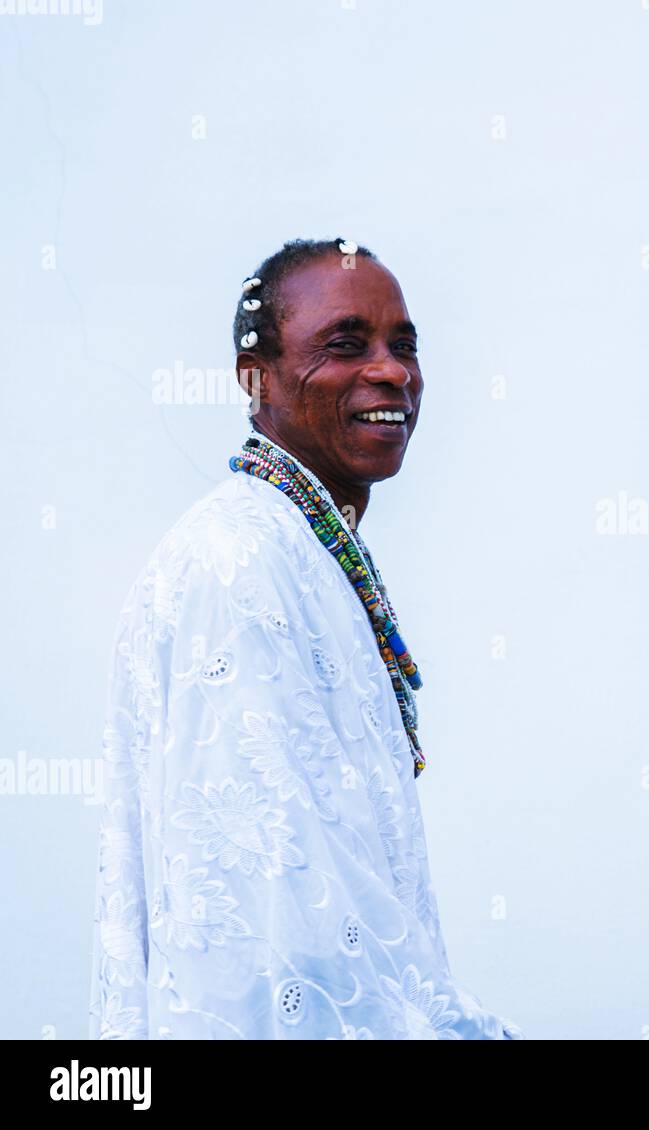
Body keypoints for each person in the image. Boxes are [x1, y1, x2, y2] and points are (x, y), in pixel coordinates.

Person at [90, 238, 518, 1039]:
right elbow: (274, 927)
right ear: (256, 378)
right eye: (346, 345)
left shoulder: (303, 547)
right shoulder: (238, 564)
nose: (392, 372)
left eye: (404, 346)